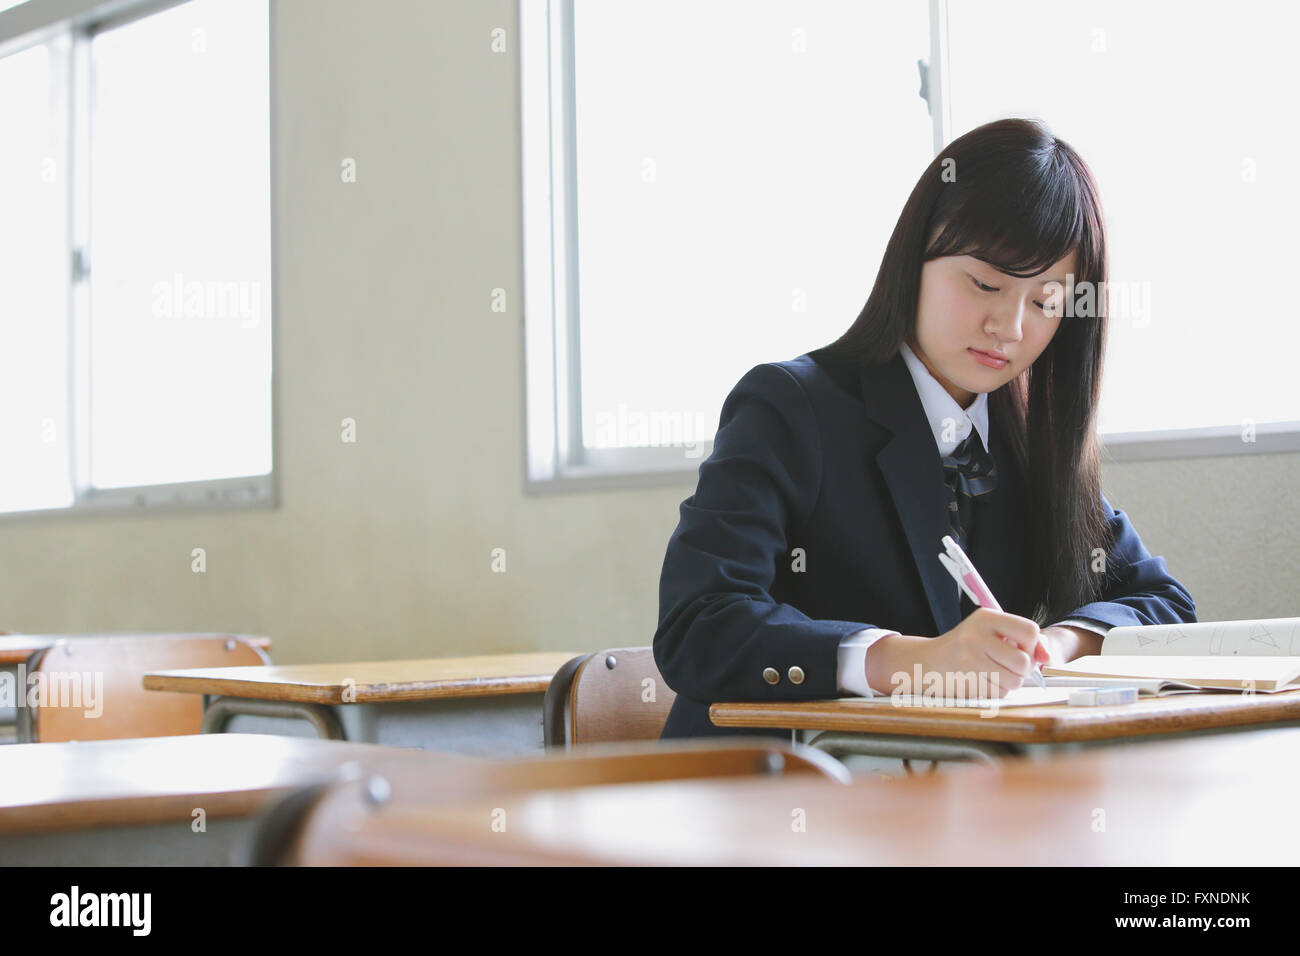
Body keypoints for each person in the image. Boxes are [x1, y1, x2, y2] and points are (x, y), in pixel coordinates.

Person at [652, 117, 1196, 740]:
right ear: (916, 259)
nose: (1010, 327)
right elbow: (699, 626)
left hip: (949, 796)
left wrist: (1059, 643)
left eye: (1046, 302)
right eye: (986, 284)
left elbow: (1165, 604)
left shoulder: (1025, 437)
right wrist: (906, 662)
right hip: (770, 793)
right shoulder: (790, 406)